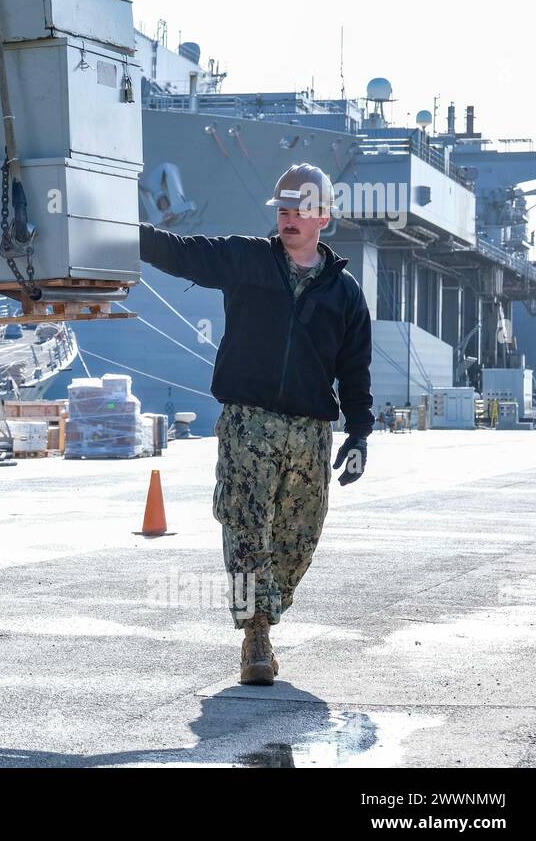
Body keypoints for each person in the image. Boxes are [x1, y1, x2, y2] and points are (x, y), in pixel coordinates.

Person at [138, 162, 374, 685]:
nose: (290, 219)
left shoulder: (344, 291)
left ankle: (269, 609)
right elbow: (183, 254)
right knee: (246, 531)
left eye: (301, 212)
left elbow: (355, 370)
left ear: (324, 220)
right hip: (249, 424)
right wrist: (120, 230)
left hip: (310, 432)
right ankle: (255, 636)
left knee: (298, 538)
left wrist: (359, 433)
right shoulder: (247, 259)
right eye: (284, 210)